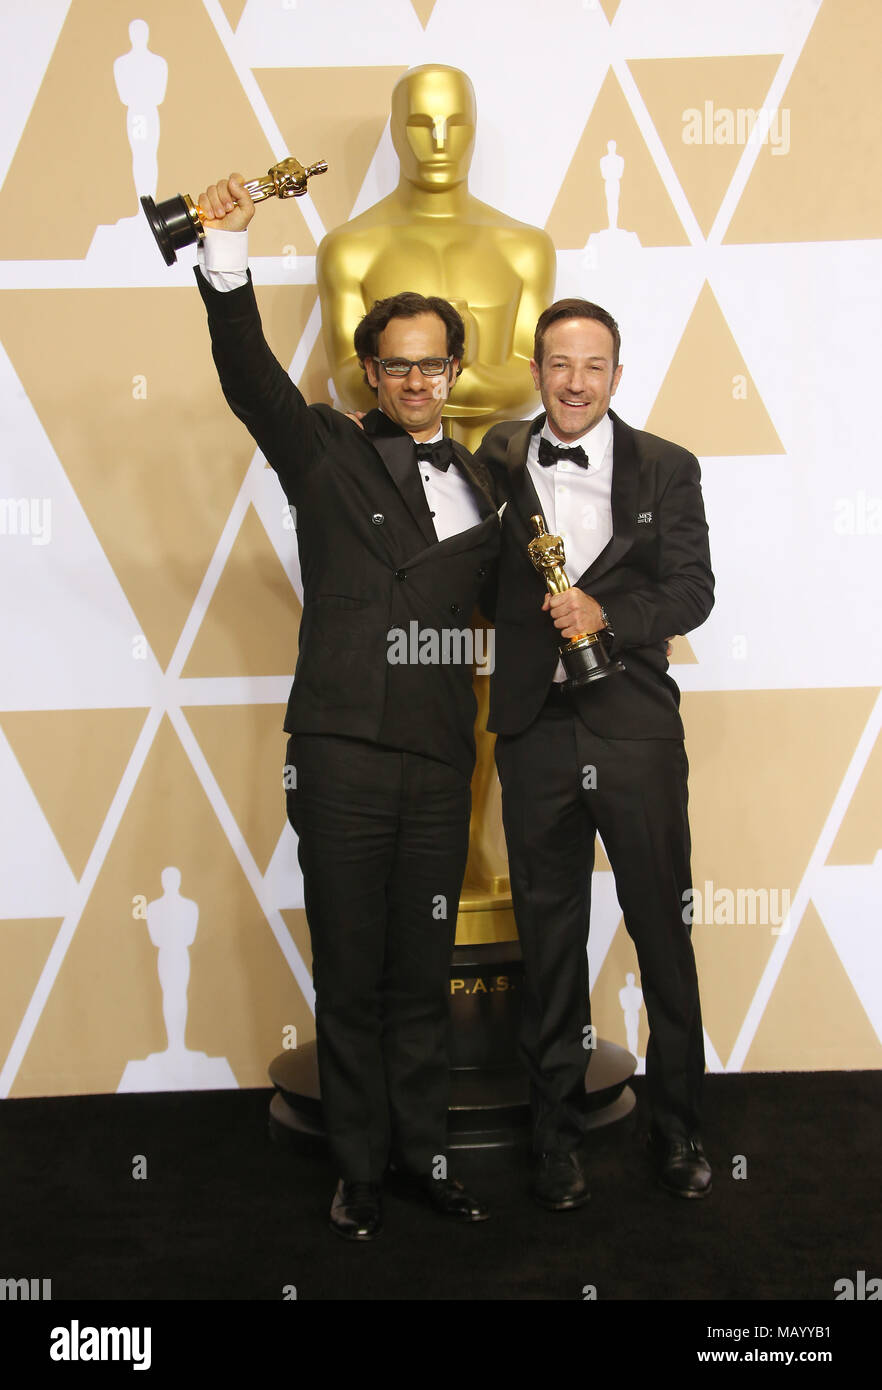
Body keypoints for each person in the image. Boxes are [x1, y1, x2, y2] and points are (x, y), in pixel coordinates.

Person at [194, 172, 500, 1239]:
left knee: (423, 969)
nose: (415, 380)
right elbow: (250, 380)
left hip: (436, 757)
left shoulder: (492, 488)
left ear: (454, 370)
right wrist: (226, 255)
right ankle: (359, 1167)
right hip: (339, 753)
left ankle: (424, 1156)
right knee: (352, 967)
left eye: (432, 363)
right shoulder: (321, 447)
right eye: (396, 364)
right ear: (370, 371)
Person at [476, 298, 715, 1207]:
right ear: (536, 372)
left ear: (618, 374)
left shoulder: (667, 467)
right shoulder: (496, 458)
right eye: (559, 365)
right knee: (548, 942)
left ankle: (682, 1127)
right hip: (535, 730)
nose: (575, 383)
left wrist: (610, 612)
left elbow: (693, 590)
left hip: (635, 727)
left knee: (663, 931)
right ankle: (554, 1138)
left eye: (594, 366)